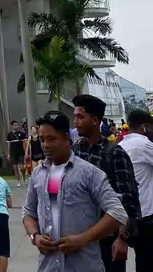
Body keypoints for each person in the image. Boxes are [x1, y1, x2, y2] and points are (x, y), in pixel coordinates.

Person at [22, 111, 128, 271]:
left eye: (51, 139)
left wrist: (84, 239)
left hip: (84, 266)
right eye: (42, 140)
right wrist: (35, 236)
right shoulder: (38, 174)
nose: (45, 145)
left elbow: (118, 212)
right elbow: (28, 212)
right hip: (48, 266)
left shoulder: (89, 173)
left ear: (66, 138)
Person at [72, 94, 140, 272]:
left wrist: (122, 239)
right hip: (80, 240)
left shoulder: (115, 154)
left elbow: (128, 201)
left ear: (95, 120)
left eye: (80, 117)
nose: (75, 122)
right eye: (74, 117)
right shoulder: (74, 151)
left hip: (108, 242)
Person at [119, 108, 153, 271]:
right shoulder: (145, 145)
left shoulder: (120, 145)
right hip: (147, 214)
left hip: (130, 216)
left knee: (142, 259)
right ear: (144, 127)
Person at [6, 120, 27, 186]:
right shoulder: (9, 134)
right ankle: (18, 181)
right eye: (15, 125)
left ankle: (24, 178)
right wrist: (8, 154)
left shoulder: (22, 133)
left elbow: (24, 143)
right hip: (13, 153)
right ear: (12, 126)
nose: (16, 126)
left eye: (17, 125)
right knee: (15, 167)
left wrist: (25, 151)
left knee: (22, 167)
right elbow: (8, 144)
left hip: (20, 152)